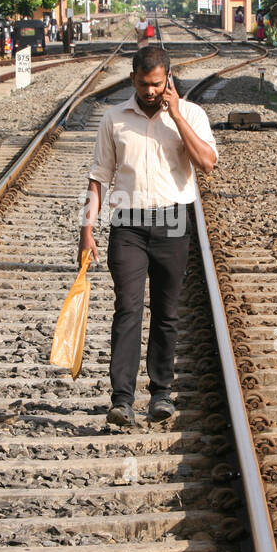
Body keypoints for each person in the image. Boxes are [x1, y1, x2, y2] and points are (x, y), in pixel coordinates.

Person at [81, 45, 219, 428]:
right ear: (133, 80)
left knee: (166, 312)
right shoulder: (113, 118)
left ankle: (161, 394)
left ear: (169, 80)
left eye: (157, 84)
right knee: (127, 309)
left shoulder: (190, 114)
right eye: (144, 84)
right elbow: (98, 177)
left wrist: (176, 115)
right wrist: (86, 228)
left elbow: (207, 163)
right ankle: (122, 400)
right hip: (127, 224)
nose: (150, 91)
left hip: (173, 220)